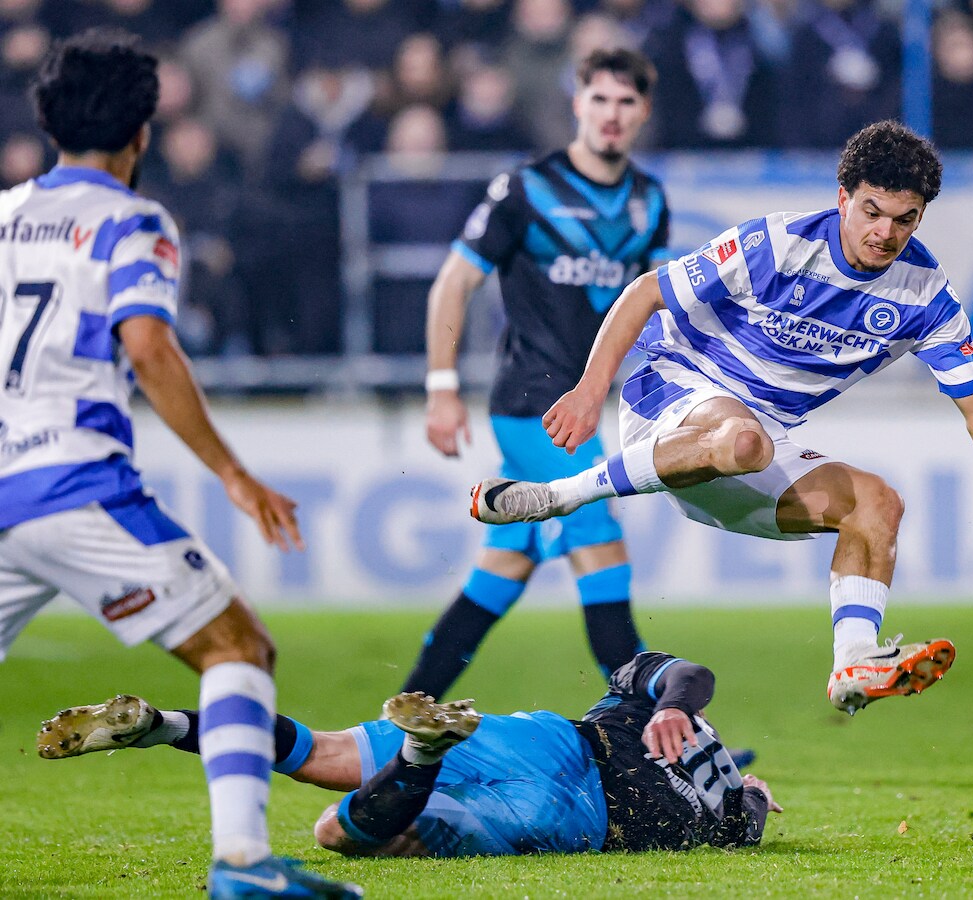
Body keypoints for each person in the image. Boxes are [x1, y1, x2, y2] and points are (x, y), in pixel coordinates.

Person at [471, 120, 973, 715]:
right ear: (843, 198)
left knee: (877, 504)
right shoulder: (777, 245)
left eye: (904, 220)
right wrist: (588, 389)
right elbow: (646, 292)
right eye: (872, 211)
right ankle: (558, 496)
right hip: (674, 395)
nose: (886, 233)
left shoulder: (925, 296)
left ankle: (854, 663)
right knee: (743, 439)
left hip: (751, 445)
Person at [0, 30, 359, 899]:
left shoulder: (5, 214)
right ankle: (243, 863)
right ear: (144, 133)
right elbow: (150, 346)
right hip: (73, 482)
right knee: (237, 646)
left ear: (47, 121)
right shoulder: (134, 222)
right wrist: (234, 473)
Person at [408, 48, 670, 699]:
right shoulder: (524, 190)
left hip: (581, 407)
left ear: (643, 113)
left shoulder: (649, 201)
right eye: (600, 100)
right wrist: (441, 389)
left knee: (505, 566)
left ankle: (402, 713)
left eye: (626, 102)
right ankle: (657, 729)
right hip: (532, 407)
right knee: (603, 550)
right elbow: (453, 283)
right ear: (577, 103)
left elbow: (656, 312)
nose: (612, 115)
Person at [37, 651, 781, 857]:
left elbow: (690, 674)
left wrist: (676, 704)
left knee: (323, 750)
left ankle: (166, 724)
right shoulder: (728, 815)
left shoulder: (667, 700)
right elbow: (748, 810)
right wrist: (754, 794)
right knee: (340, 831)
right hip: (577, 812)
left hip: (551, 738)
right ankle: (424, 754)